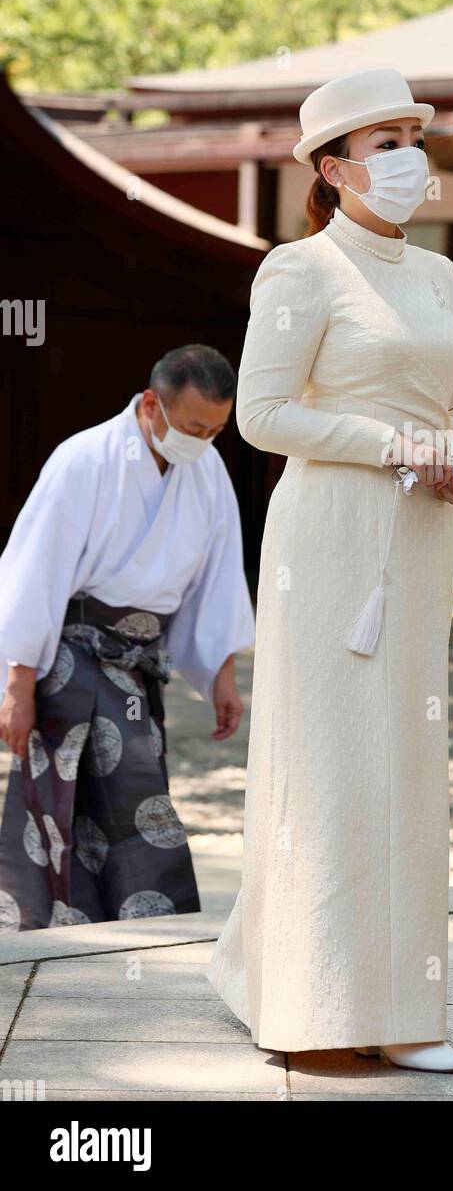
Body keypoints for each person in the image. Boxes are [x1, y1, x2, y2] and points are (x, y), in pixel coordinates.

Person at [206, 67, 453, 1074]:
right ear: (332, 167)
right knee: (329, 760)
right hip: (329, 541)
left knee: (406, 762)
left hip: (420, 536)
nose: (410, 156)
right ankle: (312, 997)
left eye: (416, 135)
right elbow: (263, 417)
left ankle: (406, 1006)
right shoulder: (298, 270)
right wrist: (393, 446)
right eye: (385, 141)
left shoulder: (441, 274)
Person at [0, 345, 256, 932]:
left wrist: (223, 676)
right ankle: (55, 924)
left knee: (132, 791)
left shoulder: (206, 468)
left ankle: (131, 925)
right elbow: (35, 569)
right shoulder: (84, 459)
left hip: (139, 660)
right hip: (69, 655)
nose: (204, 440)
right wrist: (18, 682)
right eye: (194, 427)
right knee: (62, 791)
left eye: (217, 430)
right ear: (150, 404)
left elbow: (217, 576)